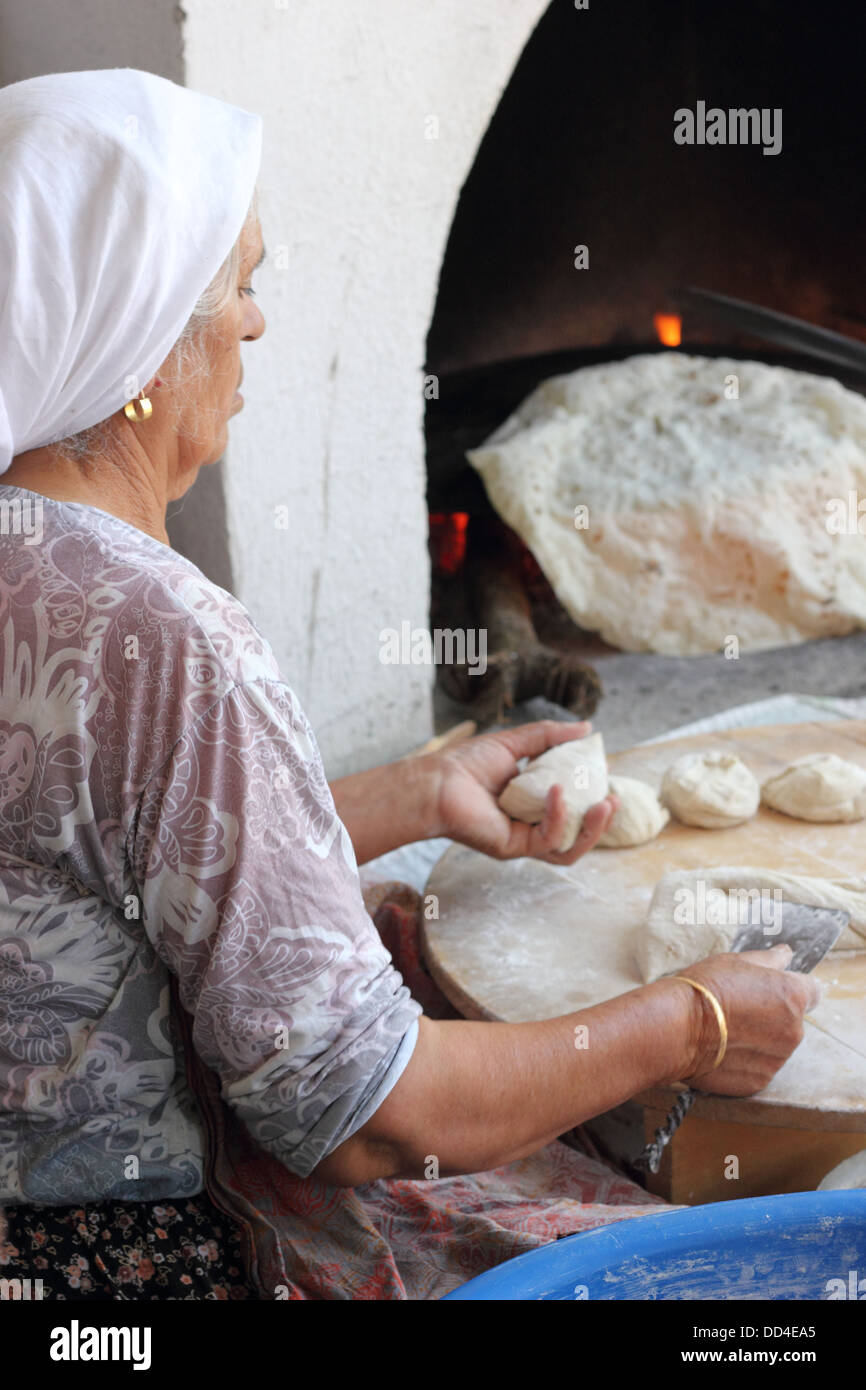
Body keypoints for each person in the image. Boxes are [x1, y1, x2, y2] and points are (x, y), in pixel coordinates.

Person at [0, 68, 818, 1301]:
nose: (259, 325)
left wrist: (416, 791)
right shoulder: (164, 634)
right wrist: (687, 1019)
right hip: (97, 1261)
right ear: (137, 340)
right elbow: (361, 1115)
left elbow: (103, 856)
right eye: (240, 286)